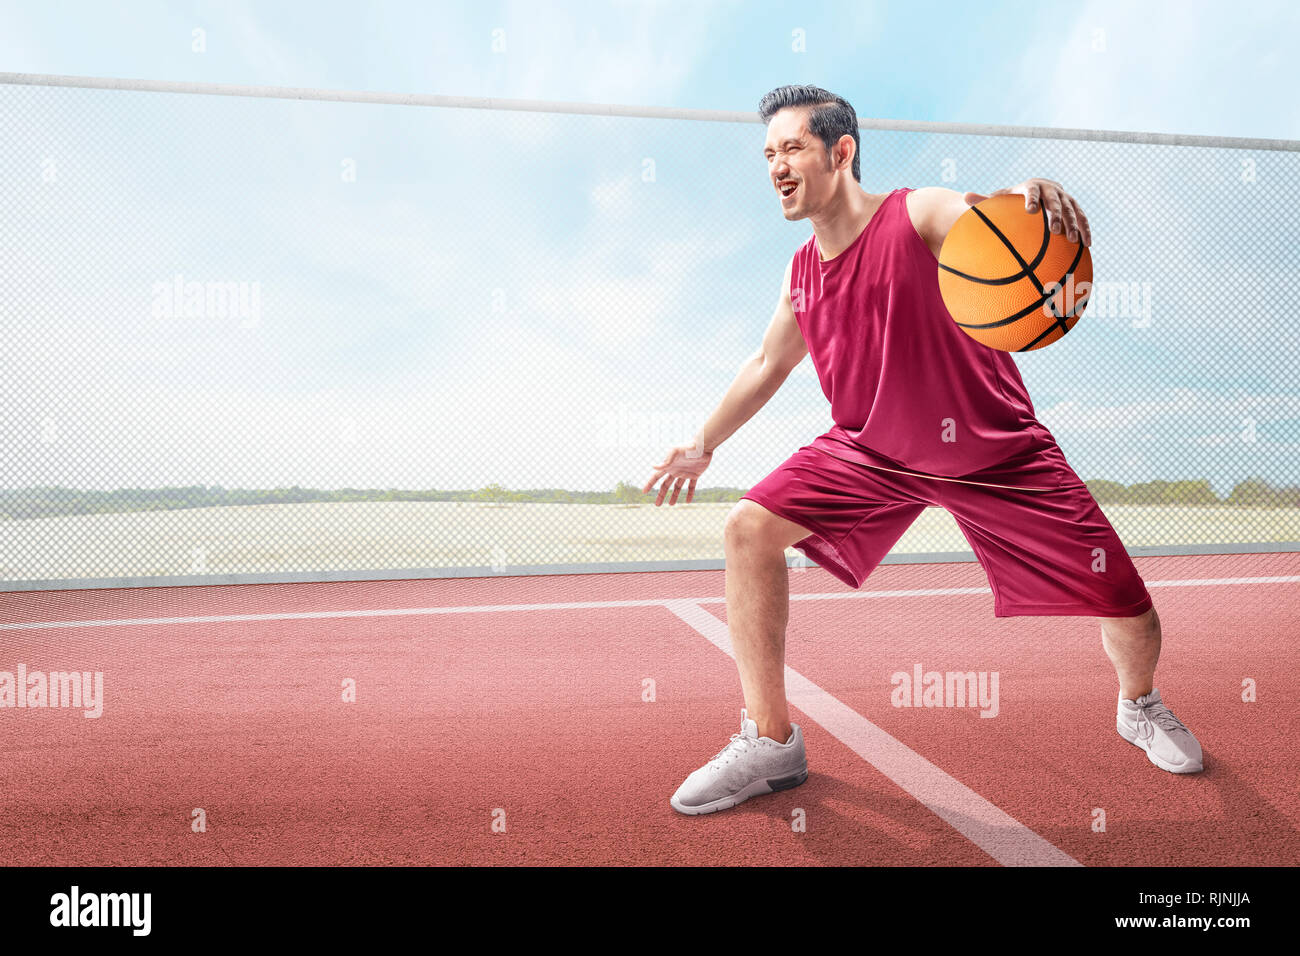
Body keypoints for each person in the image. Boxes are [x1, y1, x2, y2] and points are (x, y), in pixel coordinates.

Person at [643, 85, 1203, 817]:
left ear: (840, 152)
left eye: (793, 149)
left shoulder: (917, 211)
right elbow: (767, 364)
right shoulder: (802, 273)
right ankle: (771, 744)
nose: (777, 166)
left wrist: (1026, 197)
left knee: (1129, 608)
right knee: (748, 529)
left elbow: (988, 220)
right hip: (873, 451)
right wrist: (702, 442)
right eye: (769, 154)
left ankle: (1140, 704)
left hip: (997, 453)